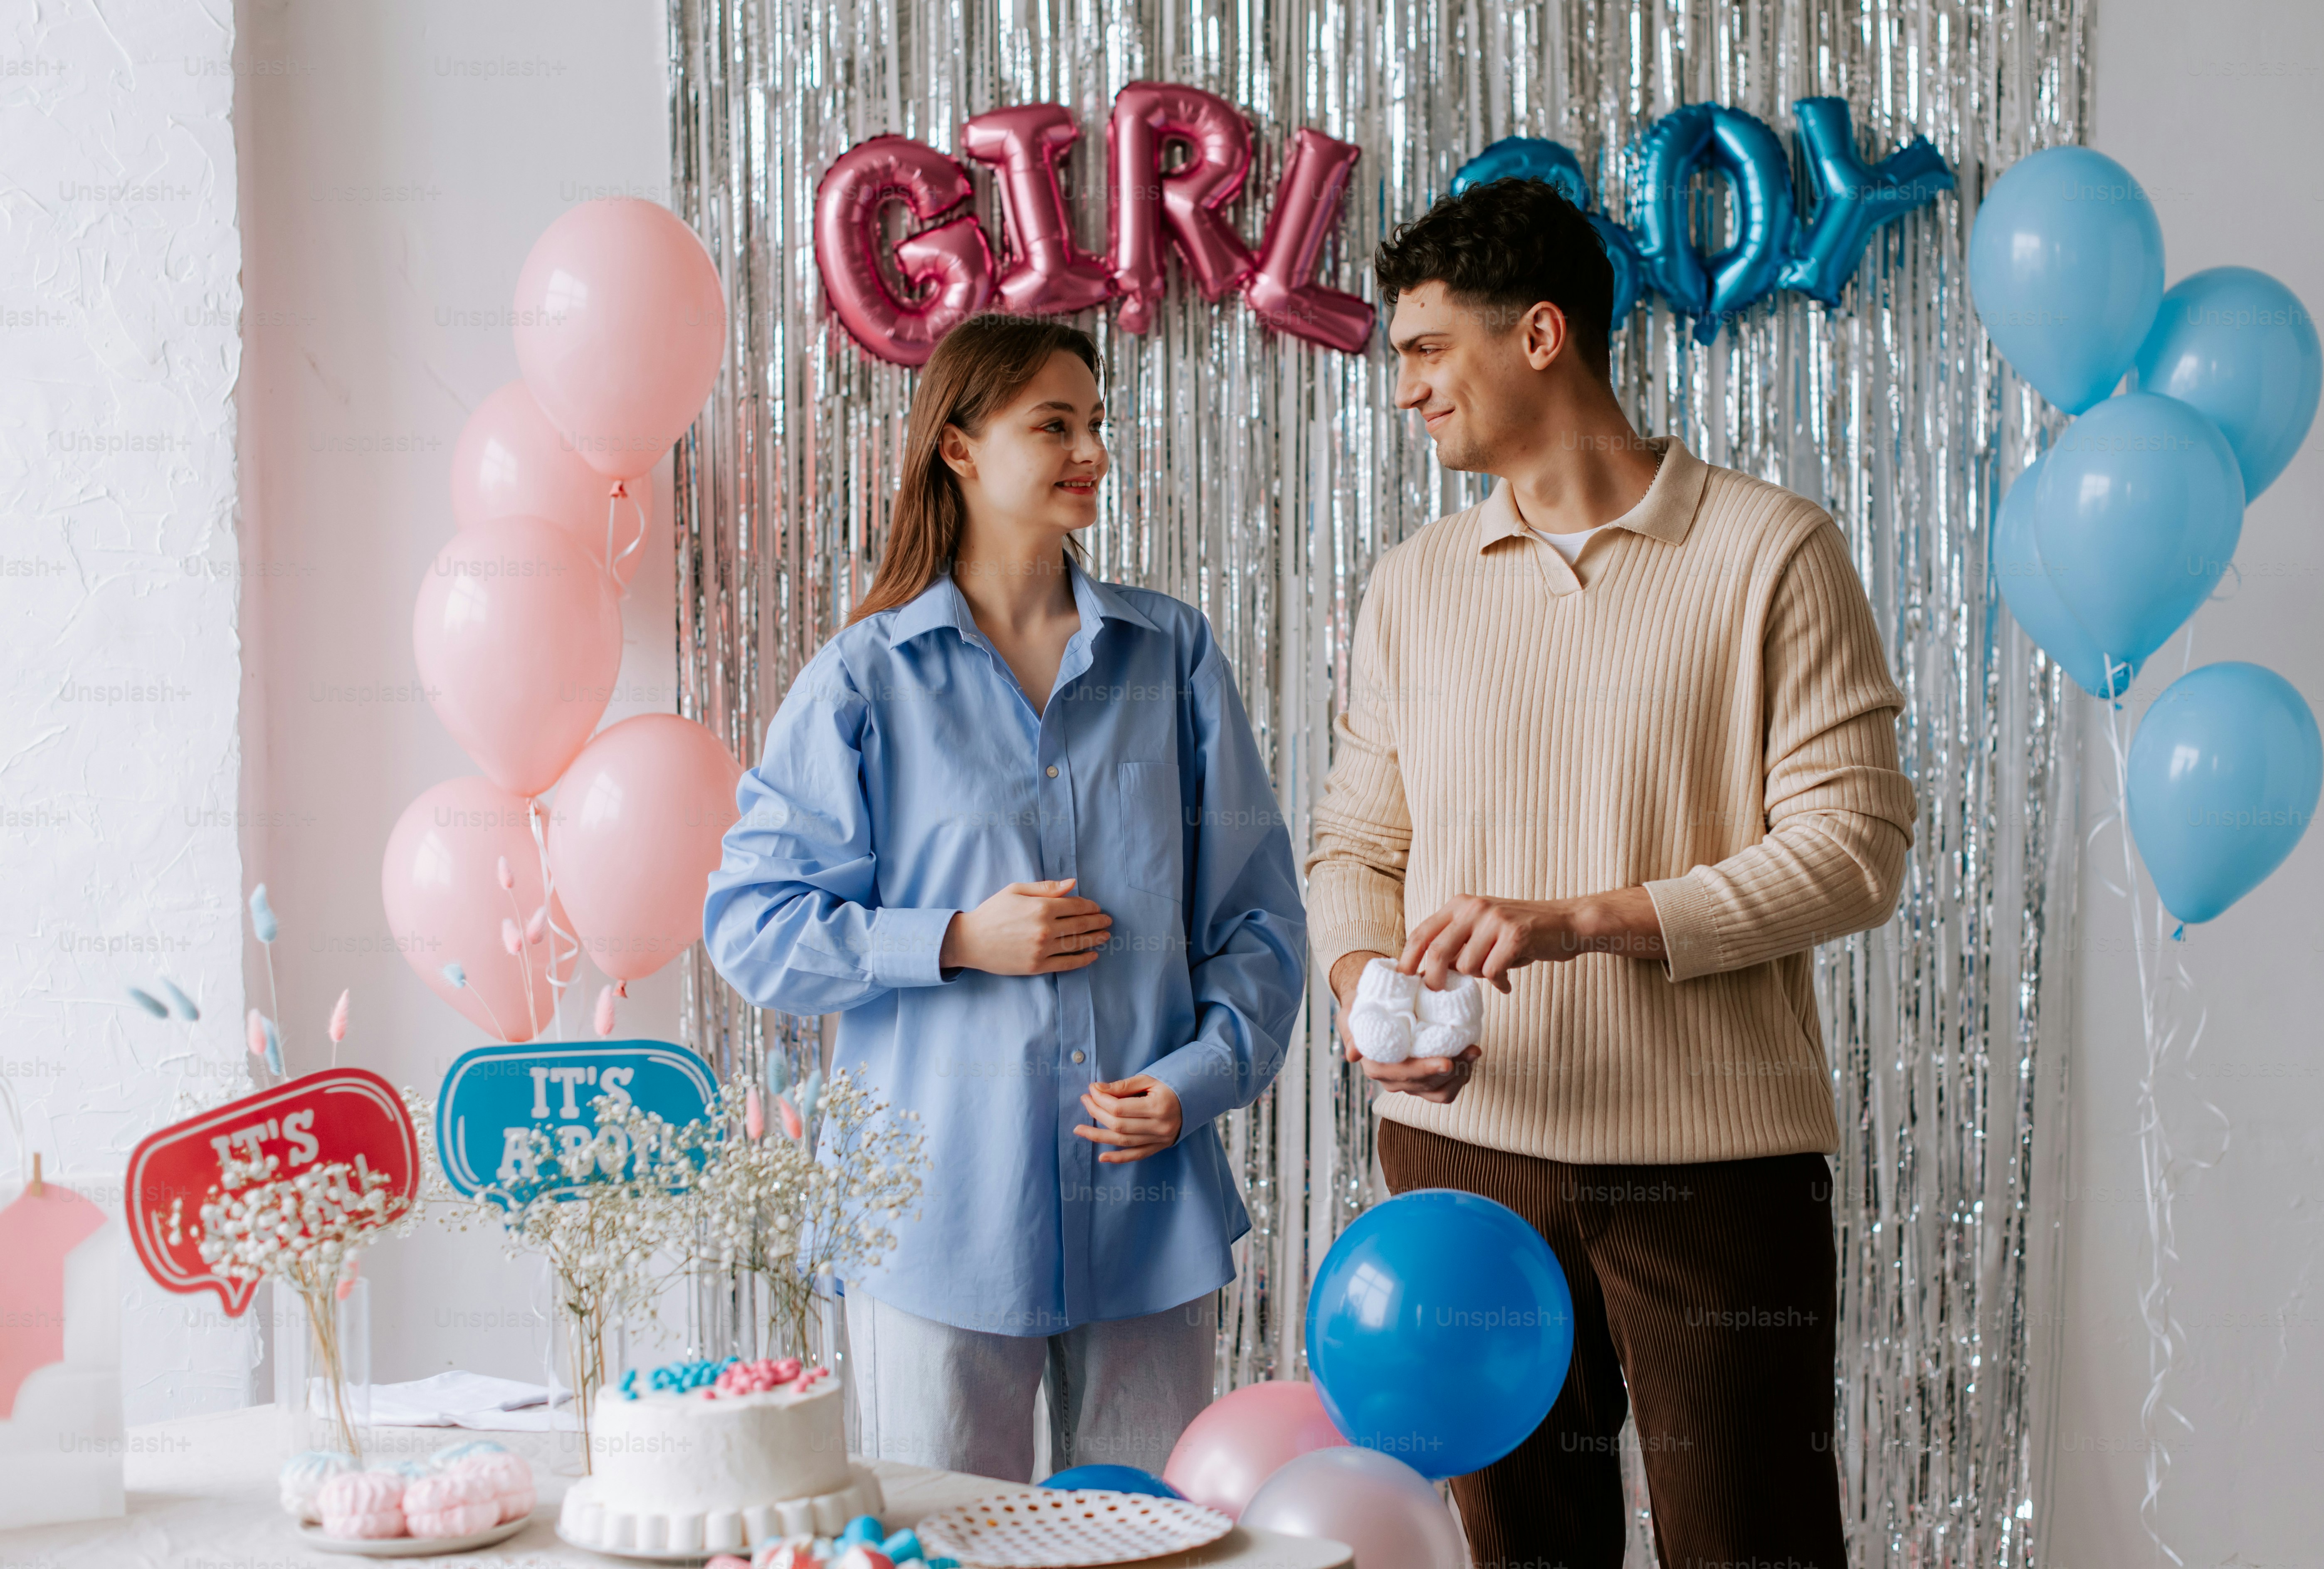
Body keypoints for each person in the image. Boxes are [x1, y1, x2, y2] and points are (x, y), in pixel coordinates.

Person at [1305, 177, 1915, 1569]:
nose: (1405, 392)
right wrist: (1366, 998)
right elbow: (1357, 849)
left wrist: (1587, 920)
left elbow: (1855, 848)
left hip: (1711, 1170)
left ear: (1539, 335)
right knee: (1521, 1554)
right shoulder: (1415, 583)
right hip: (1463, 1161)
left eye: (1423, 349)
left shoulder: (1772, 552)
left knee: (1749, 1547)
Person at [703, 315, 1306, 1484]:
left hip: (1148, 1213)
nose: (1090, 450)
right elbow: (752, 925)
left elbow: (1259, 920)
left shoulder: (1171, 655)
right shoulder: (863, 682)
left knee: (1147, 1549)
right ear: (961, 449)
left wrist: (1196, 1082)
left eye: (1095, 424)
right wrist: (957, 940)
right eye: (1054, 424)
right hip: (934, 1217)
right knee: (943, 1543)